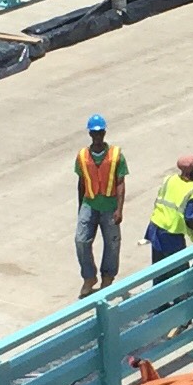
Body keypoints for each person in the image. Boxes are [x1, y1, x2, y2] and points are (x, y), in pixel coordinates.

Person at [72, 113, 127, 296]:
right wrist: (81, 208)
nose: (97, 136)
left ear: (104, 132)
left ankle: (107, 277)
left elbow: (120, 183)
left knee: (112, 243)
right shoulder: (82, 156)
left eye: (100, 132)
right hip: (90, 203)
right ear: (90, 134)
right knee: (81, 240)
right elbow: (81, 182)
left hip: (110, 206)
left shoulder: (116, 155)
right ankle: (89, 277)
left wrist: (119, 209)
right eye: (94, 133)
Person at [147, 151, 193, 264]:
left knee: (159, 270)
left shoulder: (170, 179)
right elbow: (190, 219)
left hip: (155, 228)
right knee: (179, 273)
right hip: (171, 234)